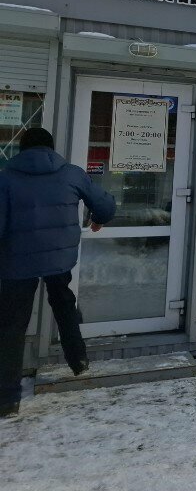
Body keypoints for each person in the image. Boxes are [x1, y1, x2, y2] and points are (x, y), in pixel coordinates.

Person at [0, 127, 115, 417]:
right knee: (63, 302)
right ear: (51, 149)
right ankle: (78, 360)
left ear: (22, 149)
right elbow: (104, 204)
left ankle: (7, 399)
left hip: (17, 261)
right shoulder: (71, 174)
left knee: (12, 326)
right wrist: (98, 219)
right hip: (59, 257)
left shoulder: (6, 177)